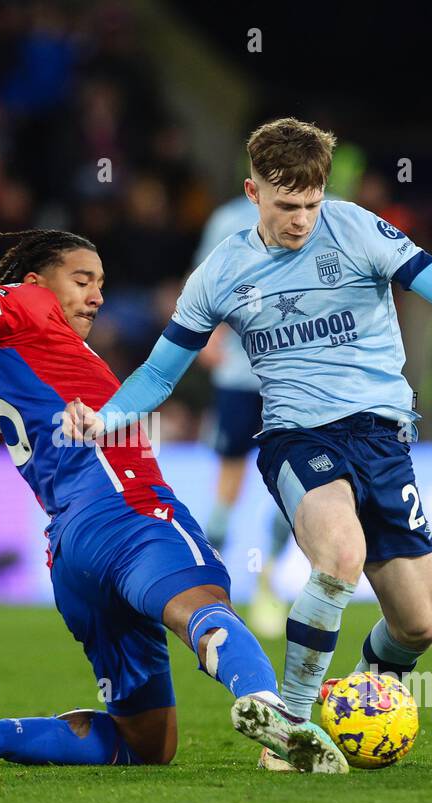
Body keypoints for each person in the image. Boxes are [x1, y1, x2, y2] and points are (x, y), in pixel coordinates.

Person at [65, 118, 432, 754]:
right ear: (252, 191)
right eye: (286, 205)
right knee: (339, 559)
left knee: (420, 625)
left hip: (382, 438)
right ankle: (288, 730)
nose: (300, 220)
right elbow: (159, 372)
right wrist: (107, 417)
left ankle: (363, 698)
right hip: (297, 435)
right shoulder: (221, 272)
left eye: (311, 204)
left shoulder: (359, 231)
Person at [0, 229, 348, 773]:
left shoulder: (11, 355)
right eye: (81, 281)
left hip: (71, 549)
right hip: (127, 510)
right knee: (202, 604)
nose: (96, 296)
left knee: (146, 743)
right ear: (36, 283)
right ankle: (271, 711)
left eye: (101, 283)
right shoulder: (27, 306)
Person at [192, 193, 293, 636]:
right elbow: (205, 280)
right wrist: (205, 332)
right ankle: (212, 587)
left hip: (297, 377)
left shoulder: (323, 213)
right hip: (238, 372)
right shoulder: (228, 218)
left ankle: (269, 581)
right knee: (229, 475)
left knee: (294, 480)